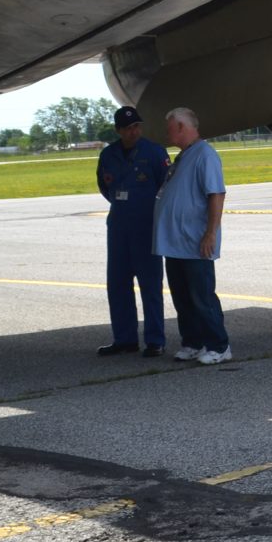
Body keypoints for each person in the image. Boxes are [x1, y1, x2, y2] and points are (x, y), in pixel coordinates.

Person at [155, 107, 231, 364]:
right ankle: (193, 342)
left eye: (169, 128)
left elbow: (216, 194)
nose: (167, 133)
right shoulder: (184, 156)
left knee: (202, 296)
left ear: (181, 127)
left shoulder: (204, 155)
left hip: (194, 242)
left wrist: (210, 233)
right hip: (176, 244)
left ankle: (219, 346)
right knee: (183, 297)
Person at [95, 106, 169, 357]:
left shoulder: (155, 152)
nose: (133, 131)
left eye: (136, 126)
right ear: (118, 131)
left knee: (150, 285)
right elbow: (105, 188)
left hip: (145, 226)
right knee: (117, 285)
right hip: (118, 227)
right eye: (128, 128)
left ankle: (155, 341)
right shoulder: (108, 155)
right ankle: (125, 339)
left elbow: (165, 185)